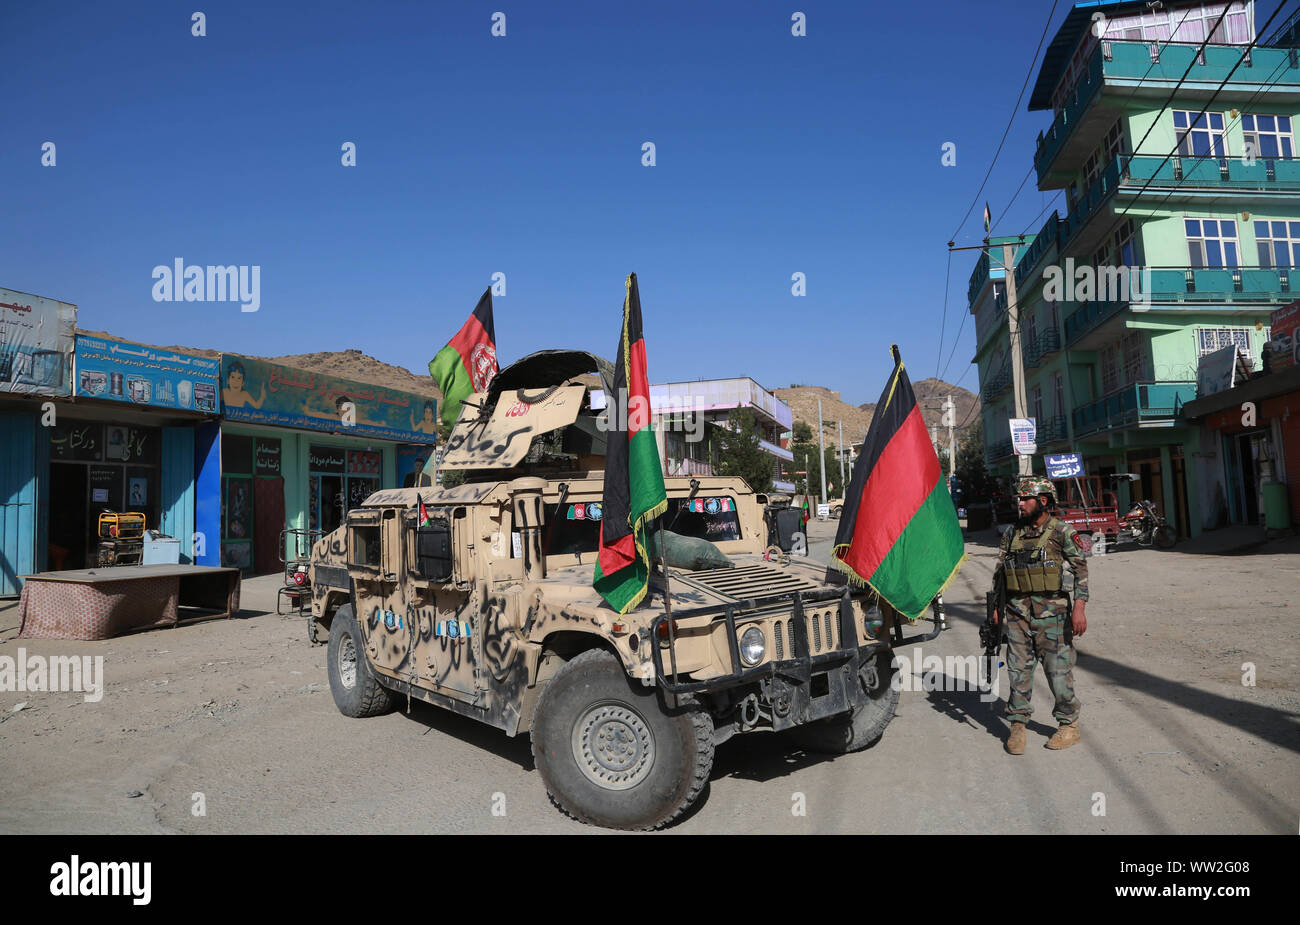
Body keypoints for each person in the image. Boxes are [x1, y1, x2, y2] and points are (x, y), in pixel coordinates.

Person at [992, 475, 1088, 755]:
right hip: (1017, 614)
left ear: (1043, 501)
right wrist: (996, 611)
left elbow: (1081, 571)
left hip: (1054, 616)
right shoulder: (1012, 533)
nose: (1020, 504)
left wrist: (1079, 608)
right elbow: (1000, 574)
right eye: (1019, 499)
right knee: (1017, 670)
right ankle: (1018, 725)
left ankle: (1069, 725)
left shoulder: (1062, 532)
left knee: (1058, 671)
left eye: (1026, 499)